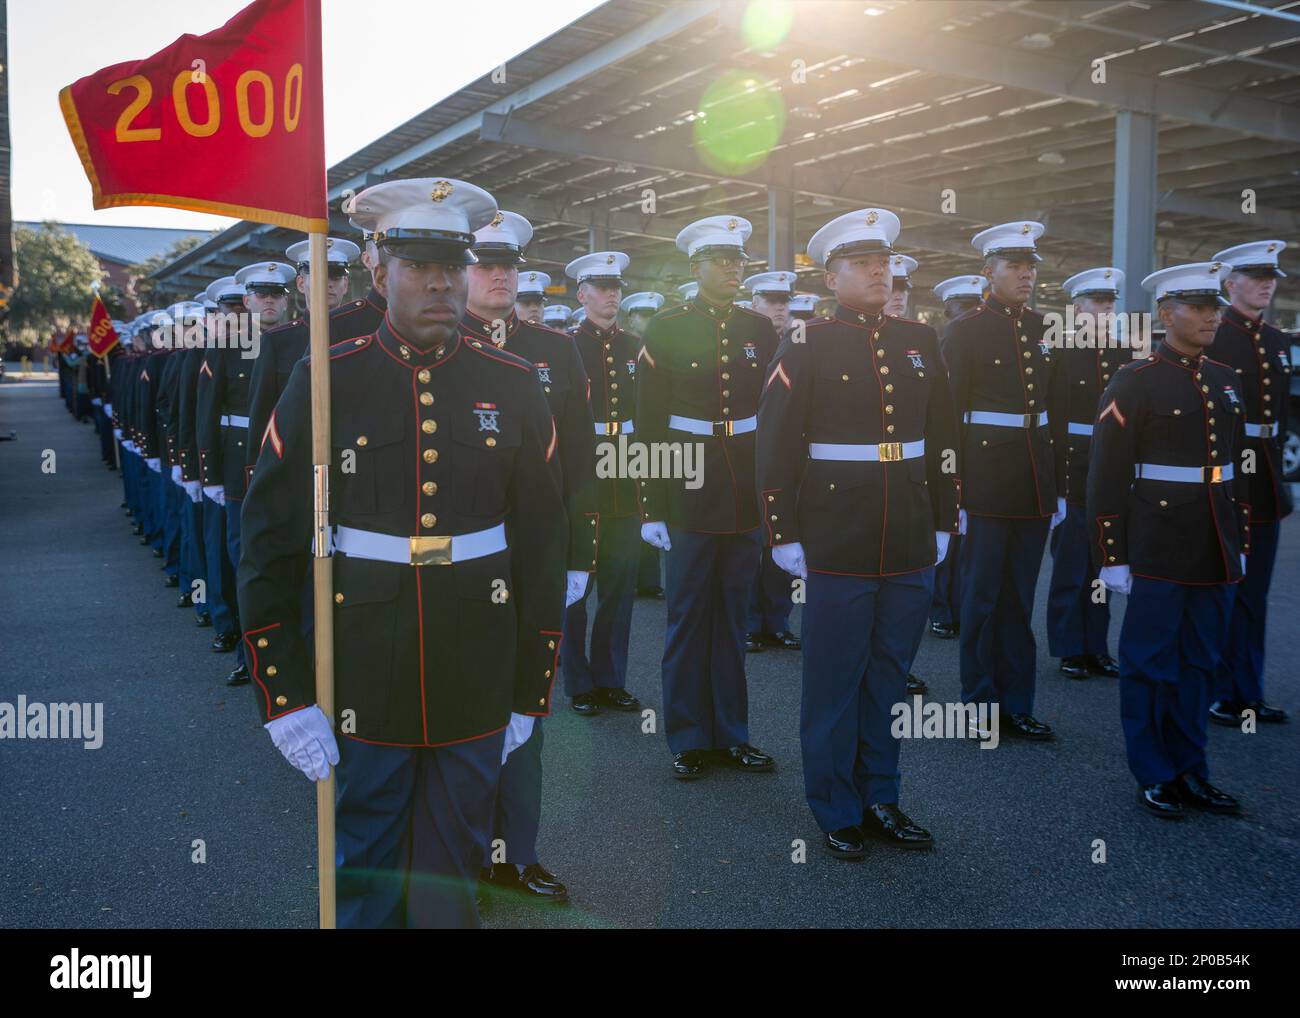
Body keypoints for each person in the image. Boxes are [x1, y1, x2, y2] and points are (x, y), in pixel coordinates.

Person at [239, 176, 567, 928]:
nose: (441, 282)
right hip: (362, 661)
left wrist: (531, 685)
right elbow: (268, 538)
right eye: (419, 265)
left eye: (452, 265)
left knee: (453, 873)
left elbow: (544, 540)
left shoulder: (512, 383)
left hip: (476, 662)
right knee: (367, 870)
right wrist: (281, 692)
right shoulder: (327, 378)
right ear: (380, 273)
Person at [757, 207, 959, 858]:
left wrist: (945, 515)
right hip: (835, 532)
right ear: (831, 276)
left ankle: (882, 796)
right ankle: (835, 805)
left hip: (906, 531)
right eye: (863, 264)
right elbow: (777, 443)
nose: (879, 272)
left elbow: (945, 437)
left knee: (889, 676)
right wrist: (782, 529)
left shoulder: (918, 340)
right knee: (835, 678)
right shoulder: (806, 341)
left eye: (884, 263)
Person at [461, 210, 597, 905]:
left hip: (534, 555)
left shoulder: (556, 347)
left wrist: (577, 553)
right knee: (455, 707)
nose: (500, 273)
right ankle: (463, 851)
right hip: (458, 562)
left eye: (509, 262)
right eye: (484, 261)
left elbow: (579, 459)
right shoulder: (435, 344)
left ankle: (517, 853)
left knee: (528, 707)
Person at [1088, 261, 1247, 818]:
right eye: (1199, 308)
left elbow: (1237, 467)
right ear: (1166, 313)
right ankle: (1153, 771)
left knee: (1201, 660)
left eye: (1214, 309)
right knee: (1150, 661)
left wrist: (1240, 537)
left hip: (1213, 539)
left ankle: (1191, 768)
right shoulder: (1134, 380)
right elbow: (1106, 472)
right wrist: (1112, 556)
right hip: (1157, 538)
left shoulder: (1227, 379)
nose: (1210, 318)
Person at [636, 214, 778, 780]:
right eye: (720, 259)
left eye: (738, 259)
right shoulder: (667, 327)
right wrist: (651, 505)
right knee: (689, 617)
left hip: (743, 486)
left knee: (733, 618)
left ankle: (732, 734)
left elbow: (772, 418)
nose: (731, 268)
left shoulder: (758, 329)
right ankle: (689, 737)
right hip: (688, 485)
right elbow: (647, 422)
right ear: (695, 267)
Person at [941, 221, 1066, 741]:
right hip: (985, 480)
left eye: (1030, 266)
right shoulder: (966, 329)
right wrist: (954, 490)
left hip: (1033, 479)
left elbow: (1054, 412)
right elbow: (946, 416)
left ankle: (1017, 703)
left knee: (1019, 596)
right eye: (1015, 266)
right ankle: (978, 704)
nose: (1026, 274)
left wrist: (1056, 485)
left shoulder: (1045, 326)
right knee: (982, 596)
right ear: (987, 272)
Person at [1206, 241, 1291, 726]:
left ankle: (1247, 692)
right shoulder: (1215, 336)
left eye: (1271, 277)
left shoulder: (1277, 341)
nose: (1266, 284)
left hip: (1267, 479)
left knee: (1254, 593)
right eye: (1255, 276)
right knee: (1223, 588)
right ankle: (1220, 690)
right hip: (1228, 474)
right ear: (1229, 283)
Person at [199, 260, 294, 685]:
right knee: (247, 561)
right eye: (260, 294)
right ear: (248, 300)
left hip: (294, 461)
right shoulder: (224, 345)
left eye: (276, 293)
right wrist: (208, 473)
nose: (268, 300)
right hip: (241, 464)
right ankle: (249, 653)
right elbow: (208, 407)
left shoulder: (303, 340)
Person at [562, 250, 646, 719]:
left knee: (620, 583)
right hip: (584, 468)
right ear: (583, 294)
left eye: (616, 288)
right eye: (601, 287)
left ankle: (611, 678)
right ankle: (578, 682)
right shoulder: (567, 345)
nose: (611, 295)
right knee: (577, 584)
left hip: (627, 470)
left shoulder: (636, 345)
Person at [1046, 268, 1126, 680]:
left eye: (1111, 301)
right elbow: (1053, 419)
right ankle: (1068, 647)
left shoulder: (1123, 351)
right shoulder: (1059, 349)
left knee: (1103, 560)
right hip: (1073, 468)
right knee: (1071, 564)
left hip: (1110, 469)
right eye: (1098, 301)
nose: (1107, 308)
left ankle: (1096, 646)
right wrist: (1056, 484)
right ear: (1077, 309)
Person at [246, 237, 383, 475]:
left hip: (357, 459)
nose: (327, 283)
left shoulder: (371, 331)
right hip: (296, 460)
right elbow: (262, 415)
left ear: (346, 283)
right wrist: (258, 471)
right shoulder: (277, 342)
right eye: (319, 274)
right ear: (301, 283)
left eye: (335, 276)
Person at [742, 270, 801, 653]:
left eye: (784, 301)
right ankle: (749, 621)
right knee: (750, 541)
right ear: (755, 304)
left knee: (784, 532)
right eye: (771, 300)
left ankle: (777, 621)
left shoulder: (801, 341)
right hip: (748, 450)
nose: (779, 307)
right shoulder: (743, 341)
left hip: (789, 453)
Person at [926, 274, 985, 642]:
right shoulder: (947, 342)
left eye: (974, 307)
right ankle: (941, 610)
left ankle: (959, 608)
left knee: (964, 540)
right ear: (949, 311)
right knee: (945, 533)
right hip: (951, 447)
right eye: (962, 308)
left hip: (976, 449)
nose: (968, 314)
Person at [621, 291, 668, 599]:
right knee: (627, 506)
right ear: (632, 318)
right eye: (642, 314)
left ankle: (650, 579)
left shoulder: (664, 349)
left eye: (653, 314)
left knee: (650, 503)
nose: (648, 320)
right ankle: (625, 573)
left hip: (652, 436)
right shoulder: (622, 345)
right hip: (622, 438)